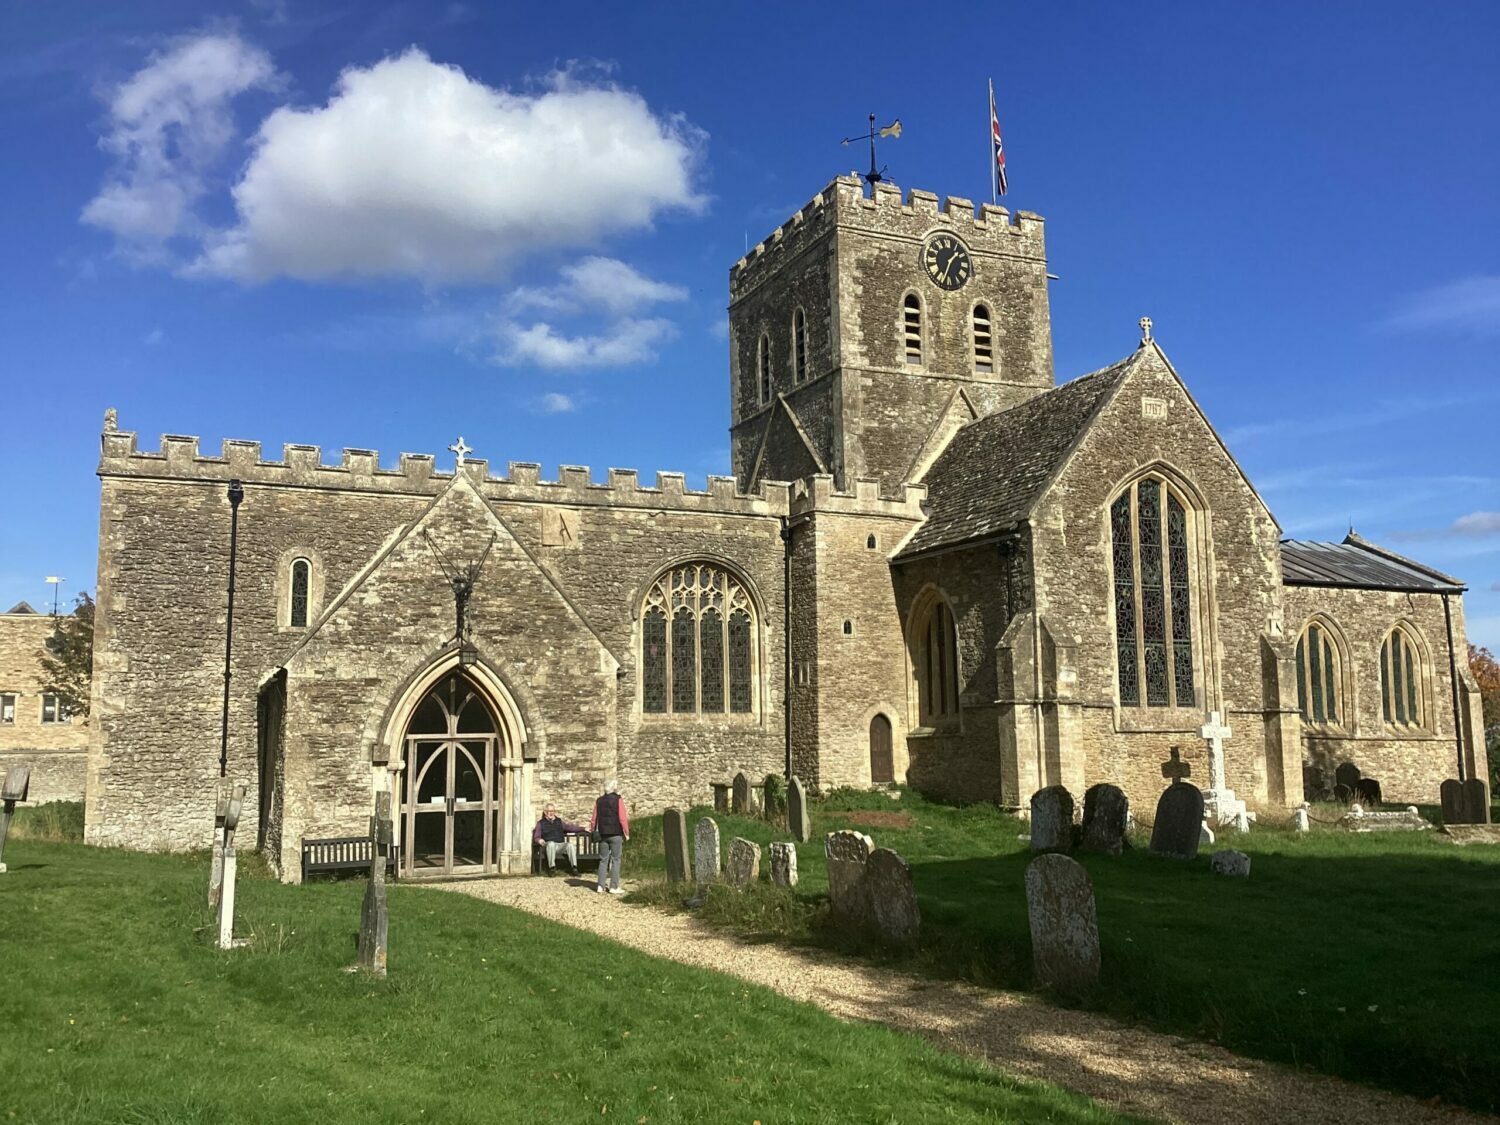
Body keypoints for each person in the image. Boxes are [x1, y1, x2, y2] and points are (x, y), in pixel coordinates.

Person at [591, 779, 629, 895]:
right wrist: (626, 832)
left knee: (603, 860)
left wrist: (593, 830)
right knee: (616, 860)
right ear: (614, 787)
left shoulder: (599, 801)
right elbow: (622, 818)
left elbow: (594, 819)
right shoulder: (618, 799)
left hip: (603, 834)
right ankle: (614, 886)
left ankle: (600, 886)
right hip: (616, 833)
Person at [532, 804, 585, 875]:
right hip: (548, 845)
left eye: (553, 811)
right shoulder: (541, 823)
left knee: (570, 845)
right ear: (545, 812)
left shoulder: (559, 821)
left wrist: (583, 828)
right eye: (549, 811)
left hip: (559, 845)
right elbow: (536, 836)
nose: (551, 813)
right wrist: (539, 840)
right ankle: (552, 868)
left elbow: (570, 828)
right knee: (551, 844)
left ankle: (574, 868)